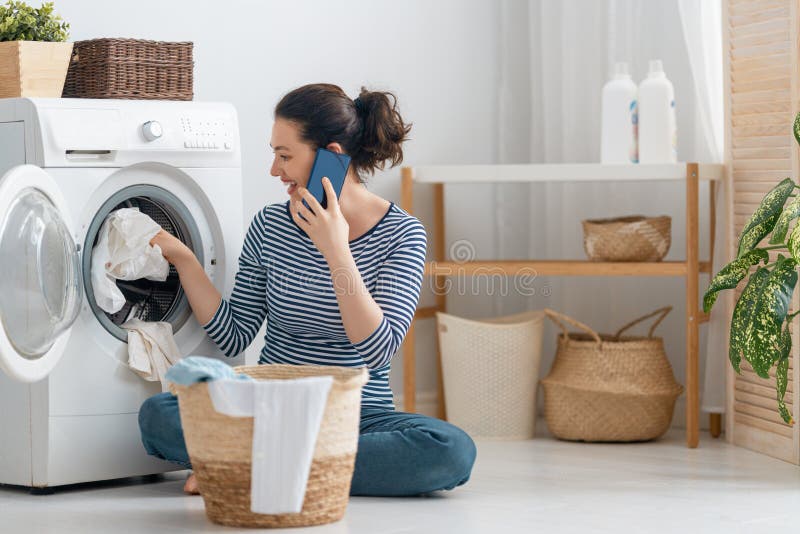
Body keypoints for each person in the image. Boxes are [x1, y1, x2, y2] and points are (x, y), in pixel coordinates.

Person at [138, 83, 477, 496]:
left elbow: (378, 349)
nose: (274, 170)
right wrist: (185, 260)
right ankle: (297, 465)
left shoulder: (403, 234)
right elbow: (235, 334)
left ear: (331, 157)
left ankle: (249, 463)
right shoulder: (269, 226)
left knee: (451, 450)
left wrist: (336, 250)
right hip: (268, 408)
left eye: (285, 156)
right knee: (159, 414)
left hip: (357, 416)